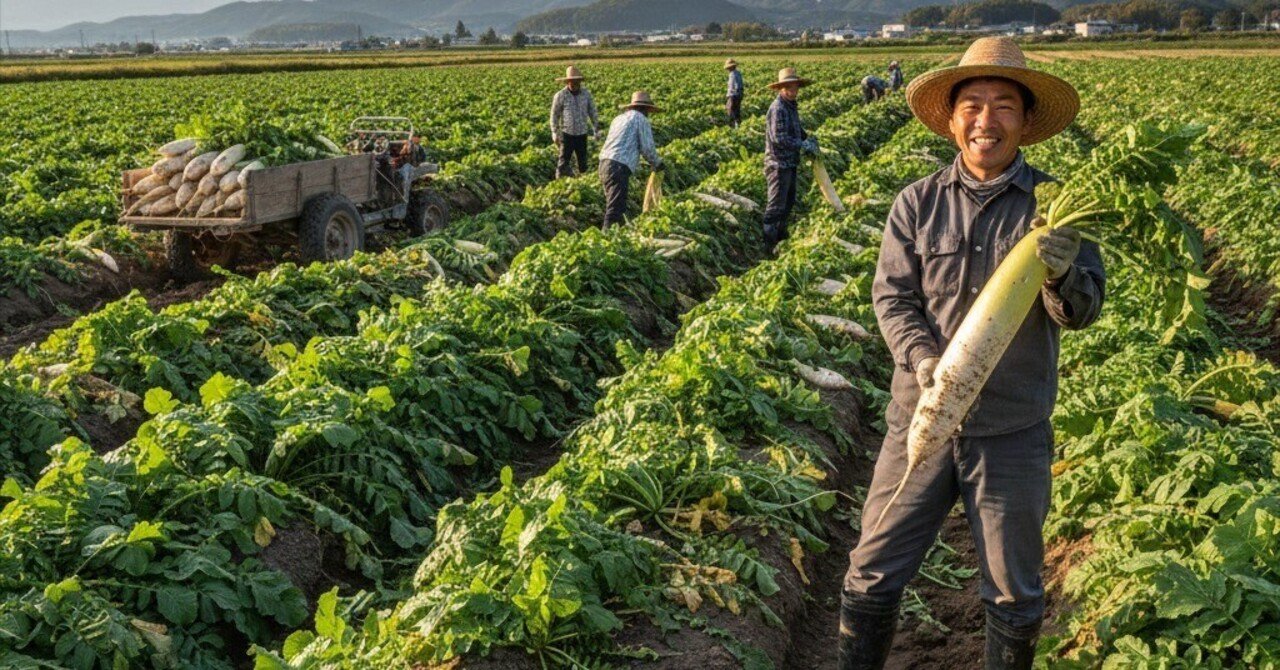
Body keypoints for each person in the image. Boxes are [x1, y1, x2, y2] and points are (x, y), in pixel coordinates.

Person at [838, 37, 1103, 670]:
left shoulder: (1057, 210)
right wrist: (924, 361)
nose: (987, 121)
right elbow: (893, 298)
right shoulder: (917, 203)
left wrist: (1062, 275)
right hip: (921, 416)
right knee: (870, 573)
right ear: (952, 118)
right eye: (973, 105)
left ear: (1027, 121)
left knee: (1015, 591)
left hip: (1011, 428)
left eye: (1003, 105)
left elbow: (1084, 312)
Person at [762, 67, 818, 254]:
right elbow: (779, 138)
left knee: (789, 200)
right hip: (778, 164)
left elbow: (796, 129)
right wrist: (802, 145)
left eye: (795, 88)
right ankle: (769, 243)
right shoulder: (778, 108)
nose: (794, 92)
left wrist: (807, 138)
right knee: (776, 204)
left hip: (790, 162)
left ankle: (781, 236)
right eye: (789, 88)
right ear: (781, 88)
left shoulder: (791, 106)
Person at [598, 91, 663, 228]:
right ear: (645, 109)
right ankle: (606, 239)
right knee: (615, 208)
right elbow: (647, 148)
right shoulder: (641, 119)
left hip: (604, 163)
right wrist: (657, 164)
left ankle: (618, 234)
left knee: (614, 204)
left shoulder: (618, 119)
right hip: (619, 166)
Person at [550, 66, 599, 179]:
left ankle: (582, 180)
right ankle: (559, 181)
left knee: (583, 162)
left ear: (579, 81)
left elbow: (592, 111)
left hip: (582, 133)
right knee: (563, 160)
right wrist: (554, 132)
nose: (573, 83)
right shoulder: (560, 95)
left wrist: (596, 128)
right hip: (567, 133)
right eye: (571, 81)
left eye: (576, 81)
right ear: (567, 82)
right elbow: (554, 114)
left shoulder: (586, 94)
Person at [725, 58, 745, 128]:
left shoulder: (732, 74)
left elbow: (737, 85)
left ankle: (732, 126)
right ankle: (738, 126)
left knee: (730, 111)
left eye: (728, 67)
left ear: (731, 67)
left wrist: (736, 92)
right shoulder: (738, 73)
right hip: (737, 95)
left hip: (733, 95)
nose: (728, 69)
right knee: (736, 111)